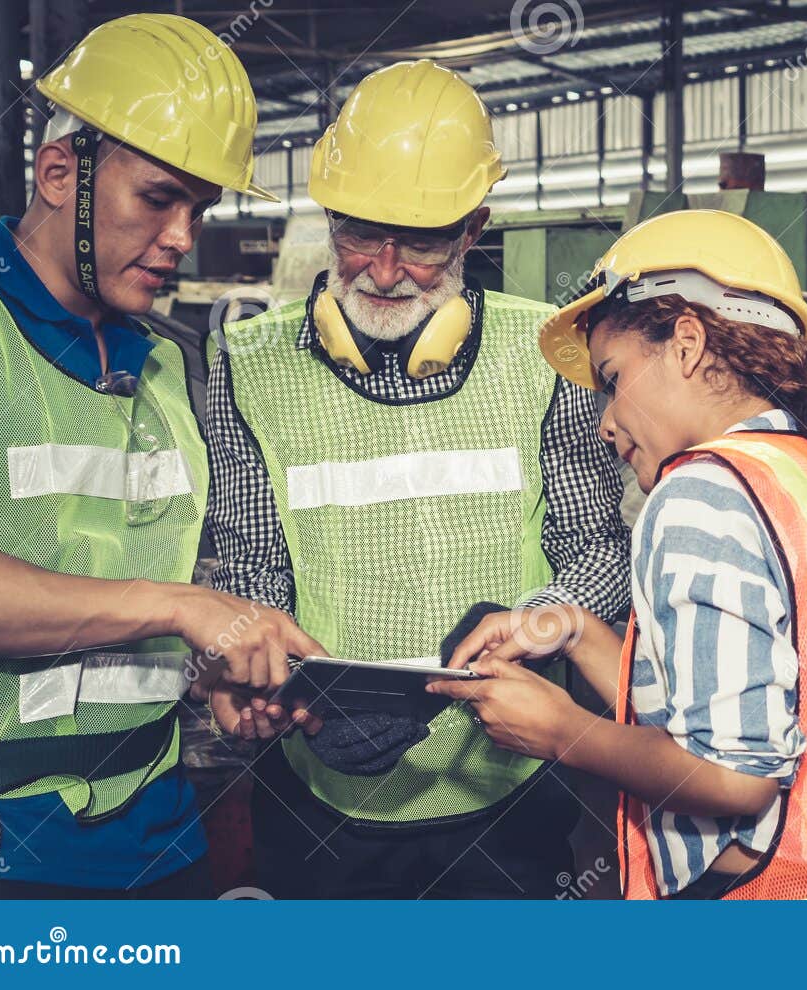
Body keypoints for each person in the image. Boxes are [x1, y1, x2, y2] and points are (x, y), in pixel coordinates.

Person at [434, 209, 807, 899]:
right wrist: (571, 629)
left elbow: (735, 777)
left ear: (686, 344)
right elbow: (730, 702)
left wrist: (562, 731)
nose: (603, 423)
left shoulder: (701, 493)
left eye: (611, 378)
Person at [0, 14, 322, 899]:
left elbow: (112, 569)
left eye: (199, 209)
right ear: (59, 173)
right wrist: (183, 605)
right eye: (158, 198)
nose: (181, 236)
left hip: (159, 833)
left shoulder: (166, 362)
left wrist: (209, 676)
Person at [205, 60, 631, 899]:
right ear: (328, 216)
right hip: (319, 801)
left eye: (424, 242)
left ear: (473, 230)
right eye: (359, 232)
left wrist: (540, 624)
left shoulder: (544, 354)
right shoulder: (250, 364)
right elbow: (253, 571)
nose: (385, 270)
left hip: (505, 793)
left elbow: (595, 551)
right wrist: (281, 690)